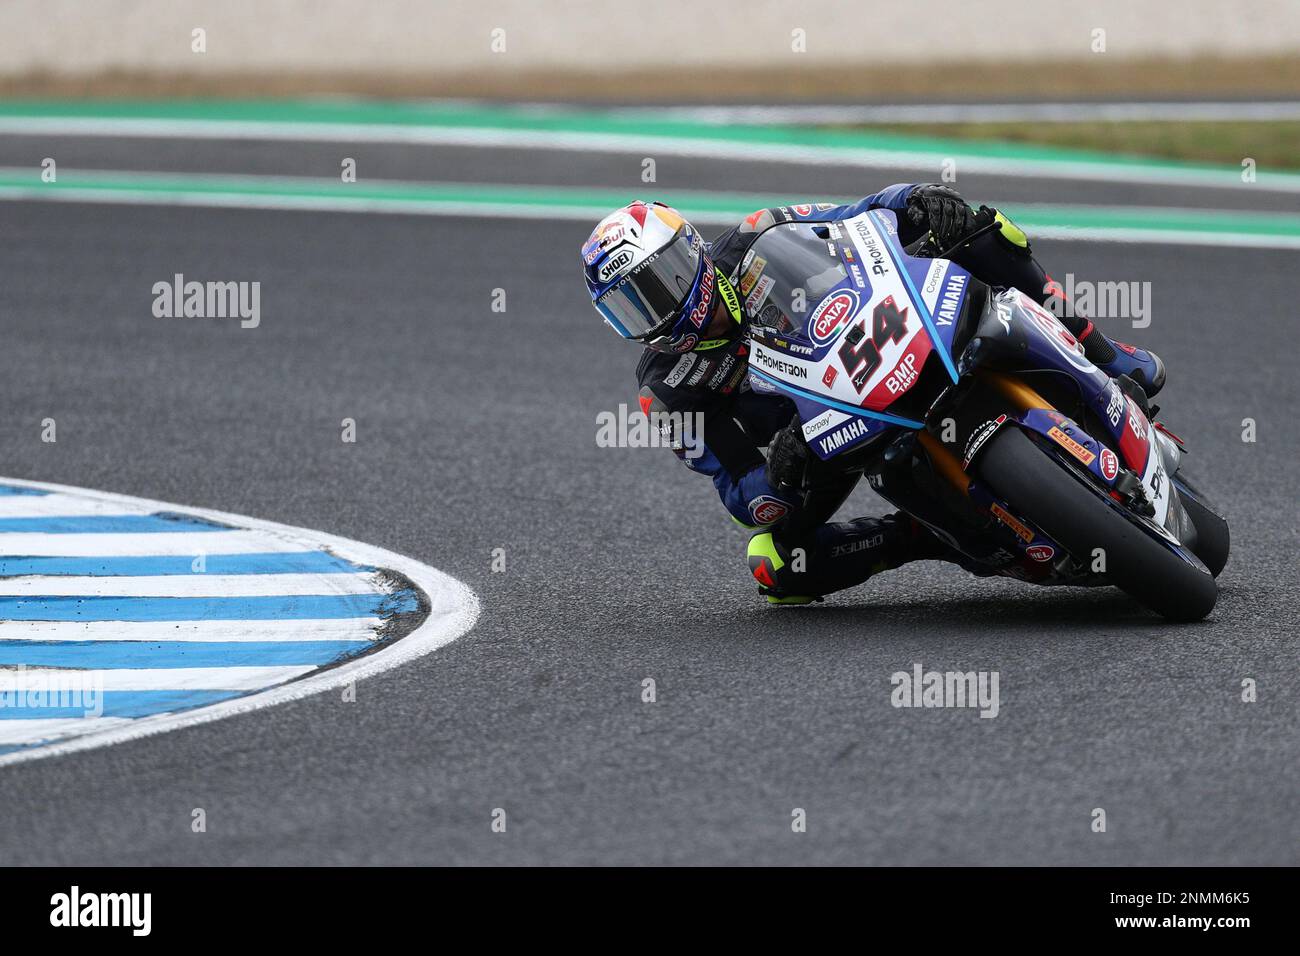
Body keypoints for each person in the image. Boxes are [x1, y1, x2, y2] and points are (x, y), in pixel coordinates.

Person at [580, 185, 1166, 603]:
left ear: (690, 254)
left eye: (661, 283)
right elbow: (736, 492)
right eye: (634, 305)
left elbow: (860, 218)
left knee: (983, 225)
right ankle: (920, 536)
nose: (658, 309)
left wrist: (914, 200)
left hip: (882, 337)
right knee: (776, 563)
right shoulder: (666, 391)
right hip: (820, 442)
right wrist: (778, 477)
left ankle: (1104, 352)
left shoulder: (760, 232)